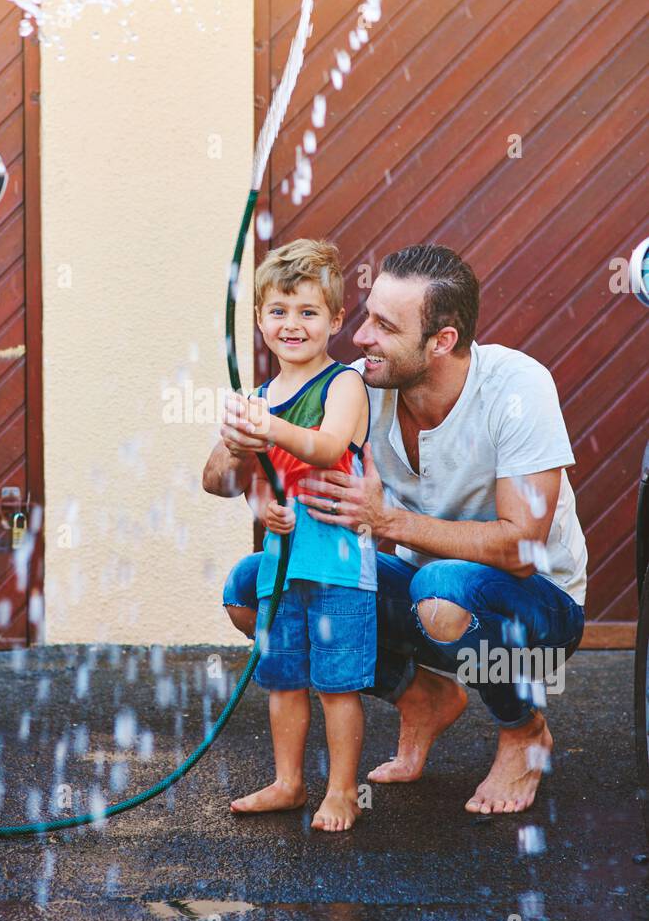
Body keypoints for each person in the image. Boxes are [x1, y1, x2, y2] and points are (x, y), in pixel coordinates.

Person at [206, 243, 587, 816]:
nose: (361, 338)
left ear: (442, 341)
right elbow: (221, 481)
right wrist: (238, 444)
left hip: (538, 602)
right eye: (366, 317)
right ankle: (423, 696)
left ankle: (523, 730)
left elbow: (523, 546)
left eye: (385, 326)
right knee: (250, 590)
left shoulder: (516, 388)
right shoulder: (358, 387)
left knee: (443, 591)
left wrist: (388, 520)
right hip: (421, 590)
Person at [227, 237, 377, 833]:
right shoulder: (260, 399)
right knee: (283, 680)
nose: (292, 324)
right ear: (260, 318)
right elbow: (258, 483)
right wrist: (264, 509)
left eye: (308, 312)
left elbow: (328, 446)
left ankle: (342, 791)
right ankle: (288, 782)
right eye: (279, 311)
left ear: (336, 321)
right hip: (281, 565)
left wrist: (267, 426)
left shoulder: (343, 385)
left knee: (337, 686)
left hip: (338, 565)